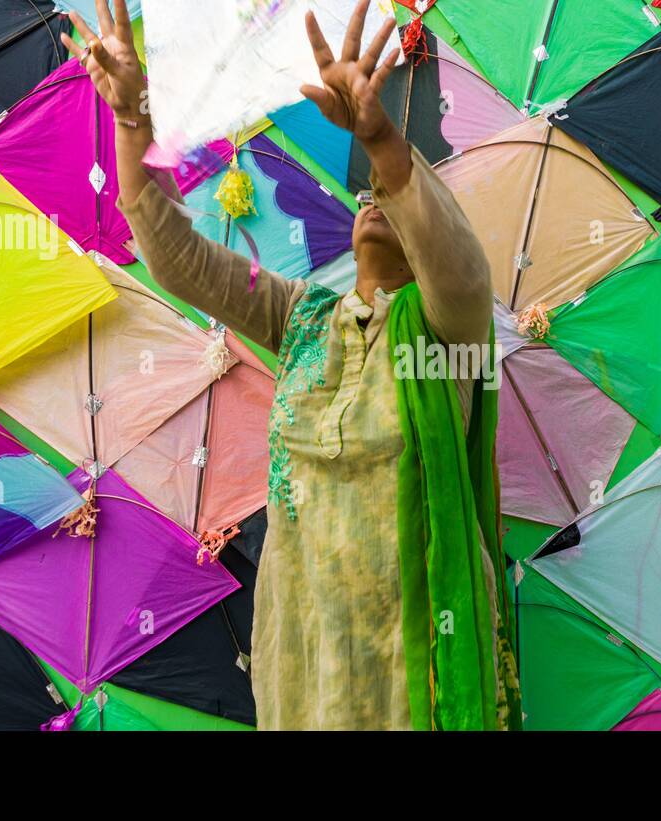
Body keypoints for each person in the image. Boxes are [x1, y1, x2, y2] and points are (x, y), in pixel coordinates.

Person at [64, 0, 519, 730]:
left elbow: (460, 268)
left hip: (415, 667)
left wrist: (378, 136)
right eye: (370, 193)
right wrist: (131, 117)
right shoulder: (302, 317)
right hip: (306, 662)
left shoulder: (447, 328)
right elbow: (178, 260)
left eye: (397, 193)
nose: (375, 199)